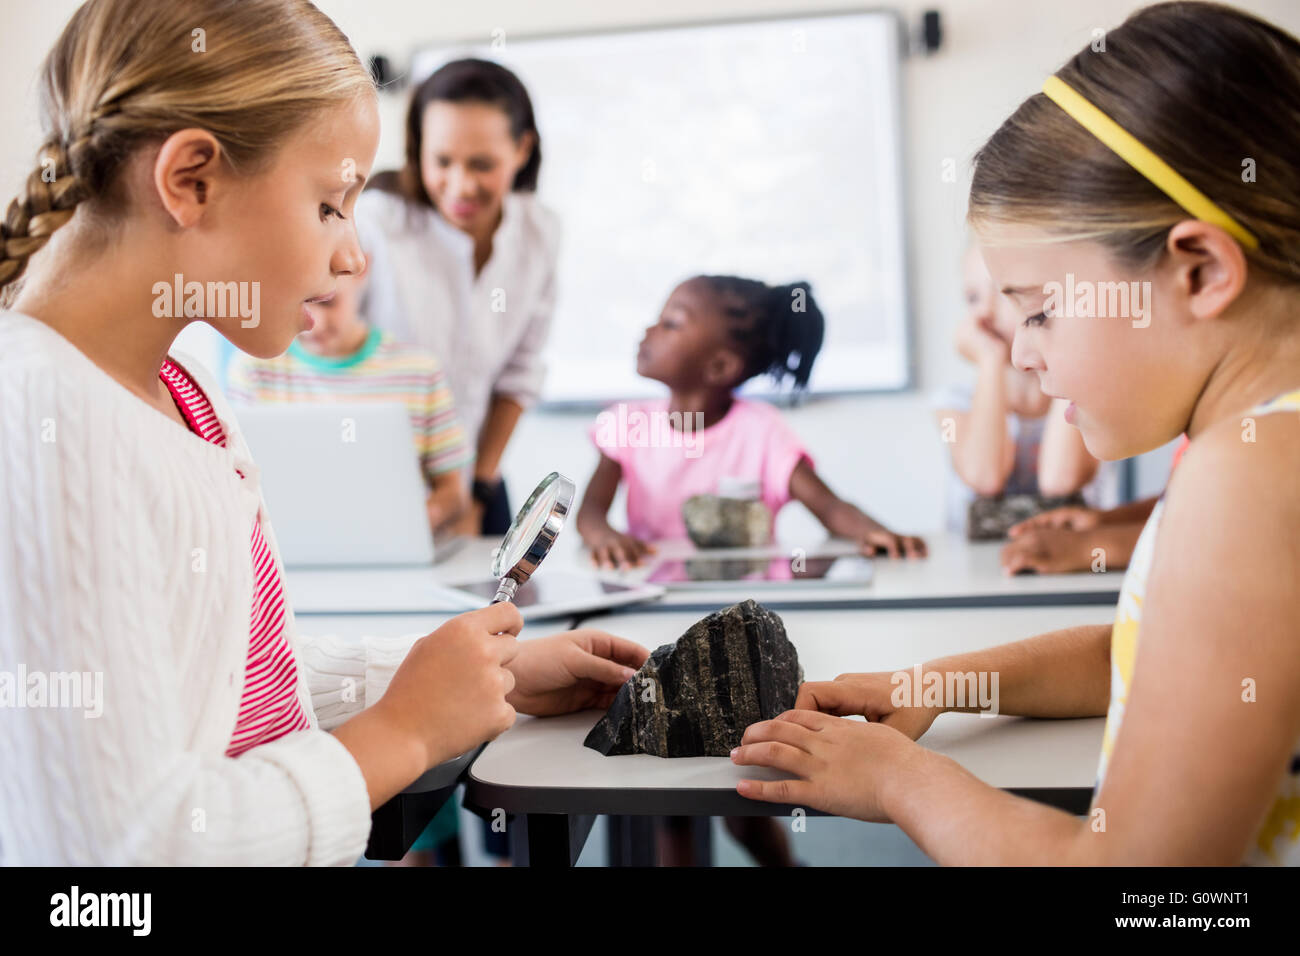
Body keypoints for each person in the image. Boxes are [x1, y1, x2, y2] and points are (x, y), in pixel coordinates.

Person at [0, 0, 646, 865]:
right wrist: (405, 734)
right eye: (333, 204)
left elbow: (226, 673)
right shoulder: (49, 424)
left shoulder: (184, 393)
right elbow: (130, 849)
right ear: (191, 178)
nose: (354, 257)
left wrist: (469, 677)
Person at [732, 1, 1300, 865]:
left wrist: (900, 782)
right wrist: (937, 684)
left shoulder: (1250, 477)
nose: (1024, 354)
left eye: (1039, 313)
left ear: (1199, 271)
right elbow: (1148, 653)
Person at [576, 275, 927, 569]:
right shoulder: (627, 424)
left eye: (671, 323)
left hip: (748, 607)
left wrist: (871, 532)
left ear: (720, 366)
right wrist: (603, 536)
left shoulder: (761, 432)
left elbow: (829, 507)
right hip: (652, 594)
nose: (649, 329)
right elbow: (590, 511)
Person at [357, 58, 557, 540]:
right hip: (380, 485)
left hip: (481, 483)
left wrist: (476, 492)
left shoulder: (539, 232)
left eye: (483, 164)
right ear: (417, 150)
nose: (462, 186)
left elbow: (519, 376)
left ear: (522, 149)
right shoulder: (375, 224)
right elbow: (324, 347)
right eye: (442, 161)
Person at [226, 253, 471, 540]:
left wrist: (409, 528)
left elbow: (454, 494)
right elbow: (236, 482)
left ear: (361, 270)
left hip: (390, 555)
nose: (315, 323)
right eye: (299, 303)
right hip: (286, 557)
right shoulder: (254, 370)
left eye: (328, 302)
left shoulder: (419, 372)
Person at [935, 244, 1117, 535]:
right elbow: (985, 478)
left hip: (1072, 561)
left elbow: (1061, 481)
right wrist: (990, 360)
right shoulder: (951, 404)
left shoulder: (1090, 394)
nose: (984, 311)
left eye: (1003, 293)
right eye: (972, 297)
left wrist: (1064, 348)